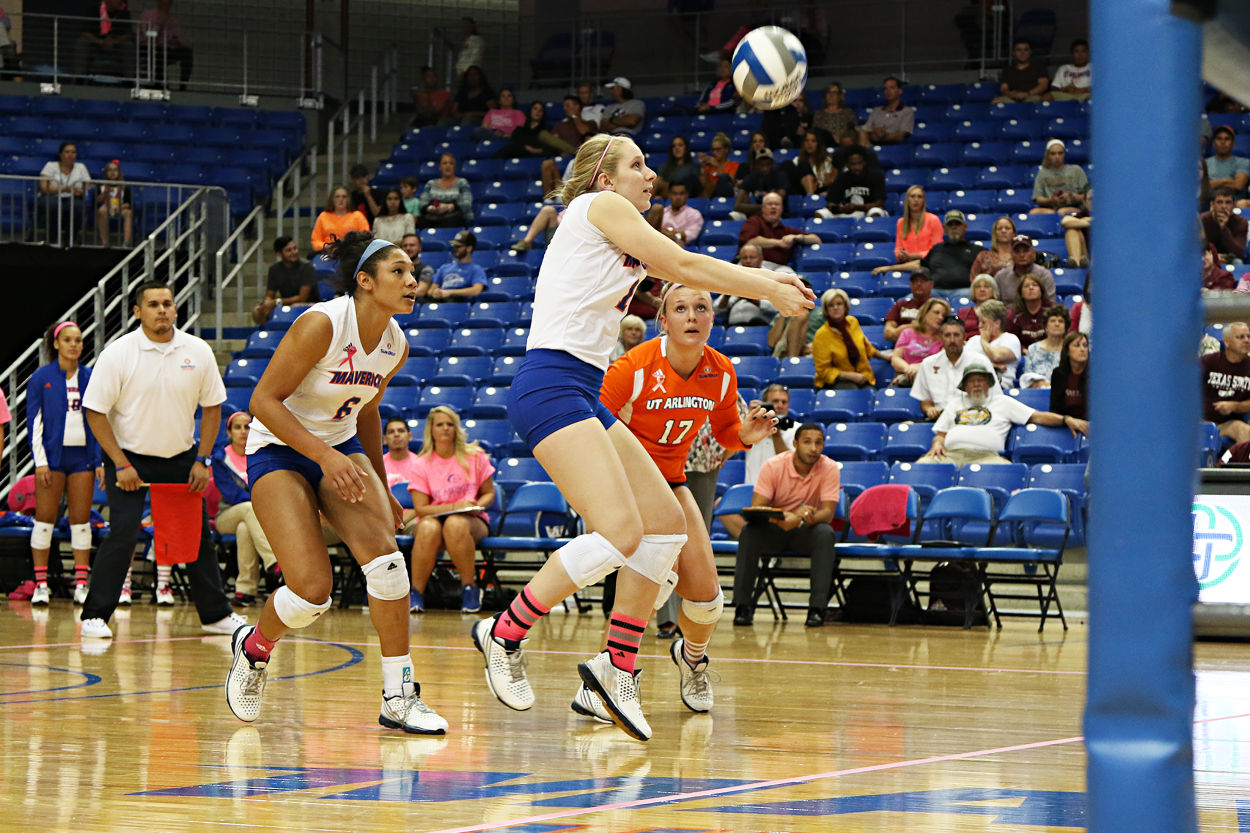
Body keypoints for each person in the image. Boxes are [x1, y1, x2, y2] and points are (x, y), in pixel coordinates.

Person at [469, 133, 812, 742]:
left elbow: (683, 271)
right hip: (550, 382)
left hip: (580, 385)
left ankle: (616, 664)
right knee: (621, 531)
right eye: (637, 164)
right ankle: (505, 630)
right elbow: (683, 267)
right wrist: (768, 287)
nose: (649, 174)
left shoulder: (619, 231)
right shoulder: (596, 208)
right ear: (603, 175)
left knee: (665, 524)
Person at [224, 230, 449, 734]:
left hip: (340, 450)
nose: (413, 281)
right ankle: (253, 648)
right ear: (365, 281)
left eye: (413, 273)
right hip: (280, 449)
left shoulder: (396, 344)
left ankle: (399, 695)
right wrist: (324, 456)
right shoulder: (321, 323)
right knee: (310, 592)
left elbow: (368, 411)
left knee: (389, 565)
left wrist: (381, 480)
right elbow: (262, 401)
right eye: (399, 273)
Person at [594, 284, 777, 714]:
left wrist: (746, 437)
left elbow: (728, 432)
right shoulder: (632, 367)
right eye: (681, 308)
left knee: (708, 599)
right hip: (627, 484)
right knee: (640, 590)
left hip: (674, 481)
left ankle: (691, 660)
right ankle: (611, 678)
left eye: (701, 307)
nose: (692, 316)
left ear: (713, 318)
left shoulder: (722, 371)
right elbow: (590, 423)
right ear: (664, 321)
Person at [79, 281, 243, 640]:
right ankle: (94, 615)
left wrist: (204, 459)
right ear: (138, 312)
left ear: (176, 309)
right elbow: (94, 412)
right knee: (122, 532)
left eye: (167, 303)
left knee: (197, 534)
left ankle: (215, 614)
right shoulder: (118, 353)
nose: (162, 310)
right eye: (153, 304)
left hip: (182, 456)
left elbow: (212, 407)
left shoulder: (197, 350)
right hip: (129, 457)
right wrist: (120, 464)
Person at [26, 322, 104, 608]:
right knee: (44, 520)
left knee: (81, 522)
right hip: (52, 459)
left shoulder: (90, 376)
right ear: (56, 344)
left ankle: (82, 584)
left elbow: (98, 420)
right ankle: (41, 585)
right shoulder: (41, 378)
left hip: (82, 458)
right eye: (68, 340)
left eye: (79, 340)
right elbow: (33, 422)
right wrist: (41, 462)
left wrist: (99, 461)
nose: (74, 345)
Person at [732, 422, 840, 627]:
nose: (813, 448)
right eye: (807, 442)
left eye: (818, 443)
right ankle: (742, 607)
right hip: (774, 529)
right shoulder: (773, 465)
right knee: (749, 532)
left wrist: (800, 517)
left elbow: (827, 513)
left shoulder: (830, 467)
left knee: (825, 533)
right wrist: (785, 517)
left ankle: (817, 609)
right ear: (795, 443)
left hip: (806, 530)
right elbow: (757, 508)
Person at [407, 406, 496, 615]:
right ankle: (416, 593)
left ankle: (469, 588)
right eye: (440, 425)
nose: (445, 429)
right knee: (427, 527)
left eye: (450, 424)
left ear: (456, 428)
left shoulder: (475, 455)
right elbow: (420, 509)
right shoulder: (421, 464)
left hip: (472, 521)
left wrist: (476, 506)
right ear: (431, 430)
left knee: (456, 524)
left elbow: (489, 493)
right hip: (436, 522)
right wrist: (456, 506)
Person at [918, 364, 1086, 466]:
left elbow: (1038, 416)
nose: (977, 384)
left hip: (986, 457)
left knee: (1007, 473)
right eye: (972, 381)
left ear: (989, 384)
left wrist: (1065, 419)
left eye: (981, 380)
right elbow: (940, 434)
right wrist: (937, 443)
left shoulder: (1002, 402)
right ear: (965, 386)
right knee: (920, 467)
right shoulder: (955, 403)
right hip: (950, 456)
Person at [212, 411, 277, 607]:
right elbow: (232, 495)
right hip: (226, 515)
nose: (243, 431)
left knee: (245, 529)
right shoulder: (220, 458)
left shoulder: (260, 455)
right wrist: (262, 500)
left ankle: (245, 591)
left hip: (256, 517)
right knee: (248, 508)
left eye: (247, 427)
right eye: (237, 427)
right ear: (229, 432)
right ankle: (274, 563)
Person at [876, 210, 985, 300]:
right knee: (905, 301)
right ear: (945, 228)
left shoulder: (977, 250)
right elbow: (919, 265)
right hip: (934, 292)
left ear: (965, 226)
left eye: (957, 224)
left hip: (964, 291)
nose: (954, 227)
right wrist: (890, 268)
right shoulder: (936, 249)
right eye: (950, 224)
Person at [912, 316, 1002, 419]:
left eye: (956, 335)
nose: (952, 340)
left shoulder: (980, 362)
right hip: (939, 419)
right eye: (947, 335)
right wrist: (929, 409)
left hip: (973, 418)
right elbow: (925, 401)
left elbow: (995, 397)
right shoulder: (928, 364)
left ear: (964, 337)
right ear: (941, 338)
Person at [812, 288, 887, 389]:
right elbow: (823, 371)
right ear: (826, 310)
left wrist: (887, 357)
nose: (835, 307)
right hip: (835, 382)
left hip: (862, 376)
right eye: (831, 305)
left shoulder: (853, 322)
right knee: (853, 391)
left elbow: (866, 347)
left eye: (839, 304)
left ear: (845, 306)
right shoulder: (821, 335)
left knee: (871, 393)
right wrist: (851, 376)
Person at [738, 191, 819, 266]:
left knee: (790, 276)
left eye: (777, 204)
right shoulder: (754, 221)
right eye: (769, 204)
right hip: (754, 266)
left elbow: (816, 239)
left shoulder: (785, 230)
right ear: (763, 208)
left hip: (778, 268)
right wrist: (779, 242)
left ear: (782, 209)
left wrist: (797, 237)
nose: (773, 207)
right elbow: (750, 242)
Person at [1202, 321, 1250, 444]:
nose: (1246, 340)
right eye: (1240, 337)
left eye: (1248, 336)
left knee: (1244, 430)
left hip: (1228, 424)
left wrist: (1234, 406)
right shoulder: (1208, 362)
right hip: (1200, 422)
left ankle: (1239, 463)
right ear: (1227, 342)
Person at [253, 236, 317, 325]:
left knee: (295, 306)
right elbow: (270, 294)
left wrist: (276, 302)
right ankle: (268, 332)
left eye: (295, 248)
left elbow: (302, 298)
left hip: (309, 304)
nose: (294, 252)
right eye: (288, 250)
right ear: (279, 254)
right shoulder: (274, 269)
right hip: (286, 304)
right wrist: (266, 303)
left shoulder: (307, 267)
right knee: (257, 311)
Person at [39, 142, 91, 247]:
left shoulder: (81, 167)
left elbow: (88, 186)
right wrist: (63, 189)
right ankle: (52, 238)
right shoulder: (50, 166)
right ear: (61, 154)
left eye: (73, 152)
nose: (70, 155)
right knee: (54, 205)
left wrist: (80, 191)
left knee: (77, 207)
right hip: (52, 196)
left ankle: (70, 240)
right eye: (67, 152)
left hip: (73, 198)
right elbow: (44, 187)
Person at [890, 297, 951, 385]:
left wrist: (918, 367)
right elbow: (896, 358)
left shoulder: (945, 338)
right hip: (904, 377)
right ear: (925, 313)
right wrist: (909, 369)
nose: (940, 317)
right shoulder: (908, 333)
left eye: (944, 315)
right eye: (936, 313)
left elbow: (940, 362)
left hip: (932, 380)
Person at [965, 299, 1023, 388]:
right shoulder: (974, 340)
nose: (979, 326)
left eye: (983, 322)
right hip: (971, 385)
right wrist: (993, 365)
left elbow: (997, 356)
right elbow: (965, 362)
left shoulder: (1011, 339)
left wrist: (984, 341)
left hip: (1000, 387)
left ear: (997, 323)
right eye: (979, 321)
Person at [138, 0, 193, 90]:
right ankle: (159, 84)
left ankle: (183, 86)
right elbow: (147, 35)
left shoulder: (173, 21)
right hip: (147, 48)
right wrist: (159, 22)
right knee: (159, 52)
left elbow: (180, 39)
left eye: (168, 3)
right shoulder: (146, 15)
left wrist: (176, 41)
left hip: (166, 48)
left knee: (187, 52)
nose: (166, 5)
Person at [818, 150, 887, 219]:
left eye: (859, 163)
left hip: (867, 212)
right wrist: (839, 208)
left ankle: (873, 229)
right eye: (853, 164)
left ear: (864, 163)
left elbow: (879, 203)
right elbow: (830, 204)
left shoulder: (875, 177)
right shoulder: (841, 178)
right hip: (845, 212)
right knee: (821, 213)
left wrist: (857, 207)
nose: (856, 167)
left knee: (876, 211)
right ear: (847, 165)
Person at [75, 0, 134, 78]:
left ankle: (130, 81)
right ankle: (80, 78)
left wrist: (115, 41)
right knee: (82, 42)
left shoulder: (123, 13)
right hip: (96, 45)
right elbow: (85, 33)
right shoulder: (94, 10)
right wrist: (101, 42)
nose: (120, 1)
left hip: (117, 46)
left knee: (128, 45)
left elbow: (128, 35)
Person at [1031, 139, 1090, 215]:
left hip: (1075, 207)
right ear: (1048, 155)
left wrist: (1073, 197)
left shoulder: (1076, 170)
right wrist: (1052, 200)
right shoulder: (1042, 173)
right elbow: (1038, 198)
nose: (1057, 157)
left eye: (1060, 153)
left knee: (1061, 212)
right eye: (1053, 154)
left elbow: (1087, 196)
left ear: (1064, 154)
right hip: (1052, 208)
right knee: (1033, 212)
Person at [1019, 305, 1072, 388]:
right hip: (1038, 393)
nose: (1057, 324)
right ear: (1045, 327)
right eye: (1052, 321)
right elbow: (1027, 378)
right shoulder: (1033, 349)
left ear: (1066, 327)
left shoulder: (1071, 349)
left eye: (1061, 321)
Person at [994, 234, 1057, 303]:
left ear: (1033, 253)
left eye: (1025, 251)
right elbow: (996, 305)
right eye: (1017, 251)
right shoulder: (1001, 277)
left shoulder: (1044, 275)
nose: (1022, 255)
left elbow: (1050, 304)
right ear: (1011, 254)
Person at [417, 153, 474, 228]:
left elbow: (466, 204)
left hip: (455, 218)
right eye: (444, 163)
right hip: (433, 217)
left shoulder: (462, 182)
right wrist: (431, 208)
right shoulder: (431, 183)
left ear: (454, 167)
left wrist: (449, 207)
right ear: (440, 167)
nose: (448, 166)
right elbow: (422, 203)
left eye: (451, 163)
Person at [429, 230, 486, 301]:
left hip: (459, 302)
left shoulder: (476, 269)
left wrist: (451, 292)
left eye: (459, 246)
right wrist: (436, 292)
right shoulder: (444, 268)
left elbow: (476, 290)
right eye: (454, 246)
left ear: (469, 248)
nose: (455, 248)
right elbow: (431, 291)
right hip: (441, 300)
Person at [858, 76, 915, 145]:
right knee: (862, 133)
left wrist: (884, 135)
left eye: (892, 88)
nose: (888, 91)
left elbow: (902, 134)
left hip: (893, 145)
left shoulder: (907, 111)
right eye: (886, 88)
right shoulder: (876, 110)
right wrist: (875, 131)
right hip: (872, 143)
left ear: (899, 91)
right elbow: (865, 128)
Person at [883, 269, 936, 343]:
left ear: (931, 284)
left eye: (923, 281)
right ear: (910, 284)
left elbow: (940, 331)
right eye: (915, 281)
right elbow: (887, 332)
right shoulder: (900, 305)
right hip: (901, 348)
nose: (919, 284)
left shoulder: (937, 305)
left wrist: (906, 329)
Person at [311, 186, 369, 254]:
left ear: (348, 199)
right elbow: (315, 242)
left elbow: (366, 238)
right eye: (337, 196)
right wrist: (326, 246)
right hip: (328, 253)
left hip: (352, 254)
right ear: (332, 199)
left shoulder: (358, 216)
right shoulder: (323, 216)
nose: (341, 199)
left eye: (344, 197)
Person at [894, 185, 944, 262]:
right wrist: (900, 255)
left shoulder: (933, 220)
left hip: (928, 263)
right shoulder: (901, 222)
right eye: (912, 196)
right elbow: (898, 249)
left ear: (924, 201)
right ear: (907, 200)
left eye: (919, 197)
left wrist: (912, 256)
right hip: (907, 263)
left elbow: (937, 250)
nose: (916, 200)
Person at [734, 149, 790, 217]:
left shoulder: (781, 176)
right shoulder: (750, 177)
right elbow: (737, 206)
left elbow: (776, 203)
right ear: (756, 165)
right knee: (734, 215)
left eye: (768, 165)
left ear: (772, 164)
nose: (765, 168)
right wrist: (763, 207)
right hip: (757, 214)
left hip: (778, 215)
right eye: (762, 165)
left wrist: (750, 207)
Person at [1007, 274, 1056, 349]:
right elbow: (1011, 341)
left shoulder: (1052, 312)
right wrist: (1024, 351)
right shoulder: (1014, 316)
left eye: (1035, 285)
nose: (1031, 288)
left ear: (1041, 291)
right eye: (1026, 286)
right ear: (1021, 294)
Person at [648, 181, 703, 248]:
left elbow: (691, 236)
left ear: (686, 195)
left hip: (679, 246)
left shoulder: (694, 214)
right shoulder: (663, 212)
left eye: (681, 194)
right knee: (656, 208)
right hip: (658, 242)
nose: (678, 197)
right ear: (670, 195)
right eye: (674, 194)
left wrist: (675, 235)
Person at [1202, 187, 1247, 265]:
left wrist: (1223, 228)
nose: (1224, 206)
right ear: (1212, 204)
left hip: (1228, 259)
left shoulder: (1241, 222)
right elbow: (1195, 248)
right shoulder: (1202, 220)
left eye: (1228, 202)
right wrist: (1214, 257)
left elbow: (1239, 252)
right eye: (1219, 202)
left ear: (1234, 205)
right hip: (1206, 257)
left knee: (1238, 262)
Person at [782, 131, 836, 197]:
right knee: (789, 164)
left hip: (820, 191)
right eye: (807, 141)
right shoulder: (797, 160)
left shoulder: (826, 161)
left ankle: (810, 197)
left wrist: (817, 182)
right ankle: (810, 197)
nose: (809, 144)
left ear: (818, 144)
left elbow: (828, 182)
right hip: (802, 191)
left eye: (813, 141)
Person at [994, 39, 1049, 103]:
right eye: (1019, 50)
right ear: (1013, 53)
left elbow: (1043, 86)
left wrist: (1027, 94)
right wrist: (1011, 94)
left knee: (1034, 101)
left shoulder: (1039, 67)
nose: (1022, 53)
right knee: (996, 101)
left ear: (1030, 52)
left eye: (1025, 50)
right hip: (1013, 98)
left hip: (1032, 96)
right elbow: (1004, 88)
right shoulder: (1007, 70)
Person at [1050, 332, 1090, 418]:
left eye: (1085, 345)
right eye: (1077, 345)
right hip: (1065, 424)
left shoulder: (1094, 375)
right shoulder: (1058, 374)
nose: (1082, 349)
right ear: (1067, 351)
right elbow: (1054, 409)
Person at [94, 158, 133, 248]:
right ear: (106, 173)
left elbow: (129, 203)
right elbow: (96, 202)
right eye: (110, 170)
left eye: (115, 170)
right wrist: (105, 193)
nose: (112, 173)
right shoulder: (101, 186)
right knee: (102, 210)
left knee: (128, 212)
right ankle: (105, 243)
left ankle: (127, 243)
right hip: (106, 208)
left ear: (119, 172)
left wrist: (120, 207)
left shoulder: (124, 187)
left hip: (119, 208)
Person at [969, 216, 1018, 282]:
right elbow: (974, 279)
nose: (1003, 231)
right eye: (999, 229)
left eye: (1007, 228)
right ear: (995, 233)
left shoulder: (1021, 256)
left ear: (1014, 233)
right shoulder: (983, 256)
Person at [1207, 125, 1249, 198]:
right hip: (1210, 205)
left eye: (1227, 139)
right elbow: (1201, 187)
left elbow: (1239, 185)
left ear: (1233, 144)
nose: (1223, 142)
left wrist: (1213, 183)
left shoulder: (1243, 162)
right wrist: (1226, 180)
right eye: (1219, 138)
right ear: (1213, 143)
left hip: (1235, 206)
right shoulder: (1205, 163)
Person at [812, 82, 858, 147]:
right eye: (828, 92)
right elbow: (815, 131)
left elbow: (852, 129)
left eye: (834, 92)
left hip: (844, 143)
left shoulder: (847, 112)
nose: (831, 95)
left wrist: (841, 138)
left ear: (839, 96)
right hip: (824, 143)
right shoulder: (818, 114)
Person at [699, 131, 741, 198]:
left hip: (727, 197)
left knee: (724, 177)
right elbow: (704, 190)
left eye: (718, 150)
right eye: (713, 150)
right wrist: (702, 168)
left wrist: (717, 166)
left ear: (726, 150)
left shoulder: (734, 165)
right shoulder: (709, 166)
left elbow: (730, 183)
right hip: (710, 196)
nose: (715, 153)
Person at [398, 234, 435, 300]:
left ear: (419, 248)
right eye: (405, 246)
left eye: (412, 245)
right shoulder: (396, 269)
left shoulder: (426, 269)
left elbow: (421, 291)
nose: (408, 248)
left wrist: (396, 296)